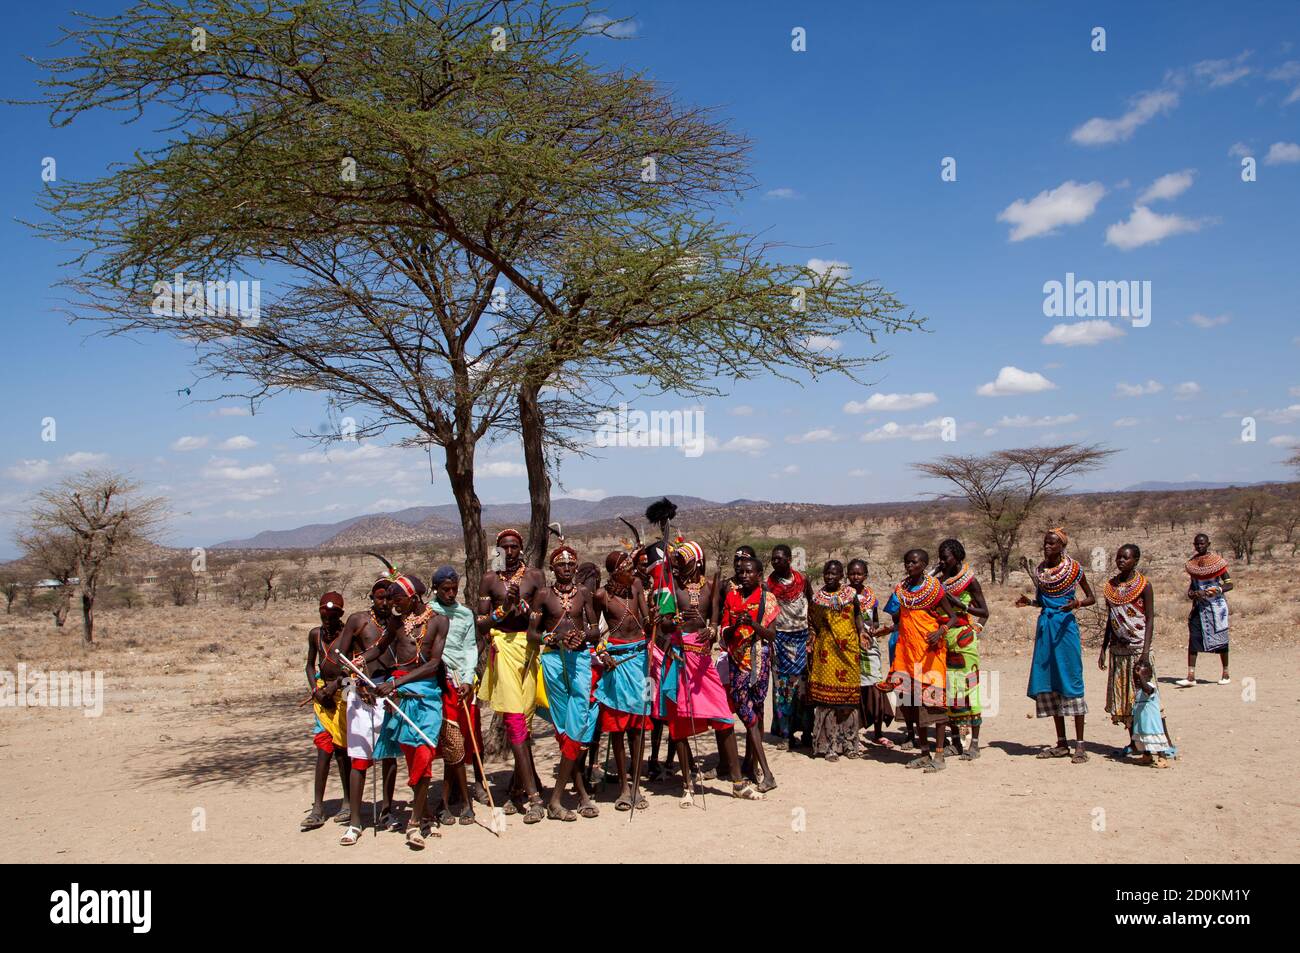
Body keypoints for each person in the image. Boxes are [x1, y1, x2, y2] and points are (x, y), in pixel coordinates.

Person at [658, 540, 764, 804]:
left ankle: (738, 783)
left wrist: (712, 629)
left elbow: (716, 619)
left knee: (724, 718)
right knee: (680, 723)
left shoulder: (710, 587)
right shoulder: (671, 589)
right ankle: (687, 786)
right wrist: (673, 622)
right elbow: (664, 625)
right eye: (677, 563)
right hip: (680, 659)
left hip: (704, 661)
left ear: (697, 562)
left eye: (685, 562)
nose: (680, 567)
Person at [370, 575, 447, 849]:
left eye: (397, 599)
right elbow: (380, 648)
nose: (392, 604)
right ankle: (425, 815)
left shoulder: (438, 620)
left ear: (413, 598)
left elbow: (433, 664)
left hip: (426, 695)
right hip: (400, 698)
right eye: (390, 599)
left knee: (424, 751)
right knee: (412, 754)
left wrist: (395, 682)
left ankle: (413, 823)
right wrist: (358, 660)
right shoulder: (395, 622)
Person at [477, 528, 548, 823]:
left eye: (514, 546)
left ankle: (516, 788)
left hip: (530, 650)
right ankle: (534, 798)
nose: (509, 551)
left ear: (521, 549)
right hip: (503, 650)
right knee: (516, 720)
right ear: (497, 550)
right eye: (504, 547)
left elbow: (543, 613)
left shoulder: (535, 576)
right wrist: (504, 610)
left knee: (526, 721)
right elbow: (481, 623)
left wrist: (527, 610)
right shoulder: (489, 580)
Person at [874, 549, 965, 772]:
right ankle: (924, 753)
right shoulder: (901, 590)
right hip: (907, 654)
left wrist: (941, 630)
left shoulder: (934, 588)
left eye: (914, 562)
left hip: (930, 654)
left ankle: (940, 755)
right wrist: (885, 630)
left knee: (935, 705)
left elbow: (954, 616)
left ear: (924, 564)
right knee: (914, 706)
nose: (909, 565)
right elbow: (900, 620)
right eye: (907, 562)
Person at [530, 542, 602, 822]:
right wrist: (556, 638)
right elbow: (532, 634)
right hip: (552, 662)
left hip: (581, 662)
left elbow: (595, 629)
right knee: (565, 728)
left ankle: (557, 799)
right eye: (561, 564)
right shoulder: (543, 595)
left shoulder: (584, 593)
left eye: (571, 564)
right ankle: (579, 795)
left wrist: (582, 637)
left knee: (579, 724)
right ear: (552, 567)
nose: (567, 569)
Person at [1016, 528, 1096, 764]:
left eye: (1052, 544)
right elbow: (1042, 600)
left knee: (1070, 679)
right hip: (1046, 628)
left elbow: (1092, 598)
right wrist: (1029, 602)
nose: (1047, 547)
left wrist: (1077, 603)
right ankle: (1061, 742)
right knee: (1050, 681)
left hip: (1065, 628)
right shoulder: (1041, 571)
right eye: (1045, 543)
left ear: (1062, 546)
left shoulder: (1074, 569)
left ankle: (1080, 745)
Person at [333, 577, 399, 845]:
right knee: (359, 759)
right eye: (380, 597)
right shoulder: (358, 620)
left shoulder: (399, 622)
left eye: (389, 597)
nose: (384, 602)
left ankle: (386, 811)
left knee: (390, 757)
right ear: (372, 597)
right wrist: (353, 689)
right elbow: (340, 658)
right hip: (360, 693)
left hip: (389, 691)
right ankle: (356, 822)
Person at [594, 550, 651, 811]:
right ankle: (624, 789)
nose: (633, 573)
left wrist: (654, 620)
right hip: (616, 662)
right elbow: (594, 634)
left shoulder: (637, 586)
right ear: (616, 573)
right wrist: (603, 655)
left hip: (639, 658)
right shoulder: (601, 596)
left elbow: (646, 619)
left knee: (638, 725)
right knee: (618, 725)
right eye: (628, 570)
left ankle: (637, 784)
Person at [428, 565, 483, 826]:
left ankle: (452, 799)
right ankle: (455, 800)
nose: (450, 594)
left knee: (461, 741)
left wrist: (470, 678)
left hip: (463, 683)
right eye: (445, 589)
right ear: (435, 589)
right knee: (451, 742)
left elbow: (471, 647)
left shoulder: (464, 614)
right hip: (439, 682)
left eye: (454, 589)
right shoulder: (428, 613)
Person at [720, 554, 779, 791]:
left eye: (749, 572)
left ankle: (761, 770)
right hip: (737, 660)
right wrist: (736, 625)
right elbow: (724, 631)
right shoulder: (732, 596)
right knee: (748, 714)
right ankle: (762, 770)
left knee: (753, 712)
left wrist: (752, 624)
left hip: (759, 660)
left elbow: (772, 635)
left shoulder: (768, 599)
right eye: (741, 572)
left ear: (759, 575)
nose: (744, 576)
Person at [933, 540, 988, 761]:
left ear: (957, 556)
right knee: (949, 691)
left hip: (964, 640)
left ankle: (974, 743)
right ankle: (955, 740)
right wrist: (934, 571)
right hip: (944, 639)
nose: (942, 561)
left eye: (946, 557)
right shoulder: (938, 581)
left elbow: (984, 610)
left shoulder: (969, 581)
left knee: (969, 689)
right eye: (940, 557)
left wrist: (975, 624)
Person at [301, 591, 351, 831]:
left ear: (341, 614)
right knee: (324, 749)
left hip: (344, 694)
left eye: (333, 615)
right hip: (322, 697)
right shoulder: (315, 635)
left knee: (343, 751)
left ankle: (348, 802)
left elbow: (352, 671)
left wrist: (335, 687)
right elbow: (310, 666)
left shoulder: (348, 635)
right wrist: (316, 690)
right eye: (324, 615)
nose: (328, 620)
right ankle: (318, 808)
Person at [1098, 544, 1154, 756]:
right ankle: (1133, 741)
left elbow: (1149, 619)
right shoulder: (1110, 587)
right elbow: (1110, 620)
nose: (1121, 561)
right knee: (1123, 699)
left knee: (1144, 696)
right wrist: (1103, 648)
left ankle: (1155, 742)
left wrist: (1146, 654)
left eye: (1126, 558)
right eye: (1119, 557)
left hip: (1138, 649)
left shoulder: (1144, 586)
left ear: (1136, 560)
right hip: (1117, 650)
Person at [807, 560, 864, 762]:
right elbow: (812, 623)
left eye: (834, 574)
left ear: (842, 576)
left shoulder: (851, 595)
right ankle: (829, 746)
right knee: (827, 701)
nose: (830, 577)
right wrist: (811, 641)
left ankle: (849, 744)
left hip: (849, 651)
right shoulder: (816, 599)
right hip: (826, 653)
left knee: (849, 701)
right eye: (827, 573)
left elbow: (857, 616)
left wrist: (862, 633)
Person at [768, 545, 813, 751]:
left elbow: (811, 606)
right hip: (780, 639)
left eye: (779, 558)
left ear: (788, 559)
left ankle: (806, 732)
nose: (775, 562)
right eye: (773, 559)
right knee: (783, 689)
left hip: (803, 637)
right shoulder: (768, 585)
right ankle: (786, 735)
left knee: (804, 689)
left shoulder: (803, 580)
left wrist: (813, 634)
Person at [847, 559, 892, 746]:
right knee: (854, 690)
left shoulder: (871, 596)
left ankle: (878, 732)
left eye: (859, 574)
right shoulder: (844, 595)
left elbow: (874, 620)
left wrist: (874, 628)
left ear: (866, 575)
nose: (856, 577)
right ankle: (852, 732)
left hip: (870, 646)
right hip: (850, 646)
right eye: (852, 573)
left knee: (875, 687)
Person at [1179, 533, 1233, 687]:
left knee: (1222, 640)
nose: (1199, 546)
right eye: (1197, 544)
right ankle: (1190, 676)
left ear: (1208, 544)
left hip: (1216, 608)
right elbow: (1192, 587)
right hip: (1199, 607)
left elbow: (1229, 584)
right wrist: (1192, 593)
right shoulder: (1192, 564)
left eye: (1202, 544)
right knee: (1193, 638)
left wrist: (1214, 590)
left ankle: (1225, 672)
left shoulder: (1217, 563)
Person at [1131, 659, 1174, 768]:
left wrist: (1140, 676)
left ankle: (1162, 757)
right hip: (1141, 723)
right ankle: (1147, 756)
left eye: (1141, 676)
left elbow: (1148, 690)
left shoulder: (1150, 687)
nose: (1138, 679)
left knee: (1156, 740)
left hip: (1152, 723)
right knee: (1144, 740)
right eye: (1136, 677)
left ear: (1149, 676)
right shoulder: (1138, 690)